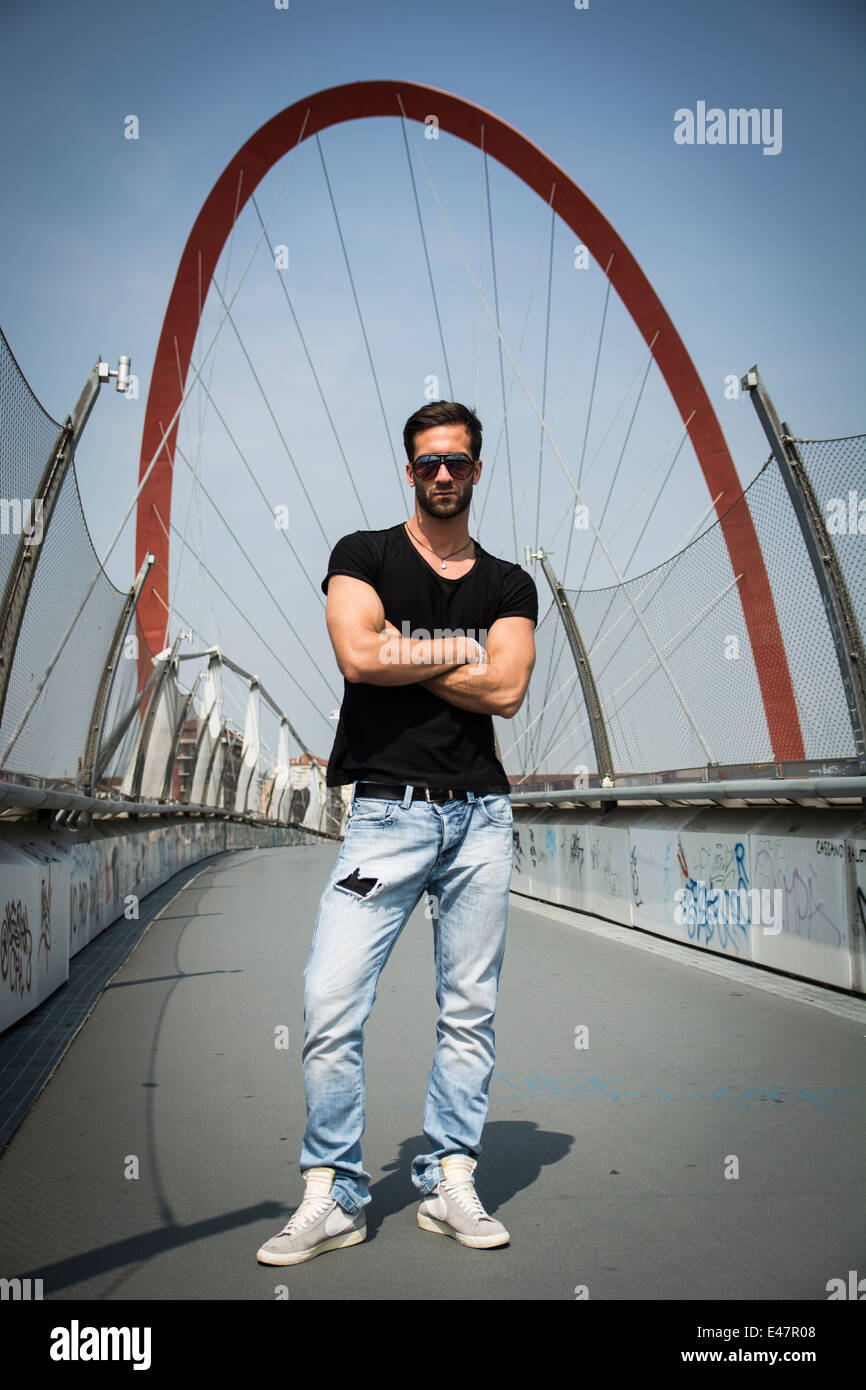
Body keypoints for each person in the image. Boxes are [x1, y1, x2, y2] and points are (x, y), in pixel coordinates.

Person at [257, 400, 537, 1266]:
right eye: (428, 464)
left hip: (482, 819)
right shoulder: (362, 553)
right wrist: (463, 651)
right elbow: (357, 657)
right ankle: (333, 1192)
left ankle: (451, 1179)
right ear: (409, 471)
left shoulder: (509, 583)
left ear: (477, 471)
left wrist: (406, 648)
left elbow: (509, 692)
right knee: (331, 998)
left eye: (457, 462)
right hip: (384, 814)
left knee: (469, 1010)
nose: (443, 475)